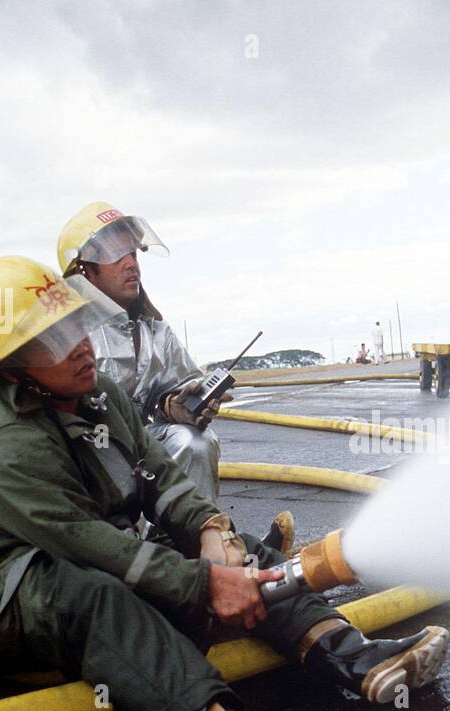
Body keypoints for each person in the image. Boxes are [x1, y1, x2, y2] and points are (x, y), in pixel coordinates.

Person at [0, 256, 450, 711]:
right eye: (51, 339)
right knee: (100, 598)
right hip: (10, 593)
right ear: (11, 368)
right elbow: (95, 549)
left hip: (92, 557)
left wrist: (211, 531)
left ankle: (354, 659)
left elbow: (159, 475)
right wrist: (205, 586)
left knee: (236, 550)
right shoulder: (8, 448)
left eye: (75, 325)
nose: (79, 346)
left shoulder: (98, 394)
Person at [56, 202, 291, 553]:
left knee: (195, 441)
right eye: (115, 253)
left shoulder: (154, 331)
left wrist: (176, 404)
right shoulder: (63, 335)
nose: (131, 262)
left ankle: (193, 543)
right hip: (86, 460)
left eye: (133, 251)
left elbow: (176, 387)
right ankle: (226, 554)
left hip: (137, 451)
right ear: (84, 272)